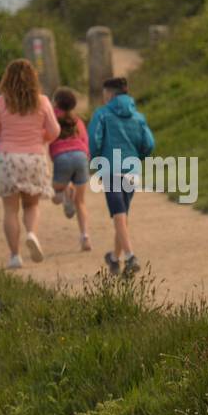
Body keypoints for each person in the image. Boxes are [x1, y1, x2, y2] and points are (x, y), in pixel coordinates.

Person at [0, 59, 59, 269]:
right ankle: (31, 233)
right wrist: (42, 137)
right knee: (32, 205)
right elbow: (55, 130)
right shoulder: (42, 102)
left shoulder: (0, 102)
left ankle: (15, 256)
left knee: (10, 210)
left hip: (8, 160)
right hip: (34, 159)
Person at [88, 76, 155, 276]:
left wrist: (96, 160)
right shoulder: (138, 116)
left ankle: (130, 255)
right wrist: (137, 158)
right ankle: (115, 259)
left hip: (111, 168)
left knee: (119, 213)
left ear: (109, 94)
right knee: (122, 215)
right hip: (132, 171)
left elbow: (94, 139)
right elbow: (149, 143)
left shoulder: (101, 114)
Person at [49, 87, 92, 252]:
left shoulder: (52, 118)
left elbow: (47, 137)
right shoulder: (78, 121)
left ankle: (66, 190)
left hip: (62, 158)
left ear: (56, 103)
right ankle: (85, 237)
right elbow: (85, 141)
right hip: (81, 157)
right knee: (80, 202)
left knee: (55, 198)